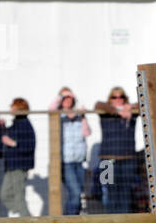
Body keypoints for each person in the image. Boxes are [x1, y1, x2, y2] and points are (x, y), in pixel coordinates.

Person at [95, 87, 139, 214]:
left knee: (125, 192)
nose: (118, 99)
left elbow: (145, 106)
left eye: (121, 97)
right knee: (109, 191)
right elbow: (98, 104)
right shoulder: (105, 111)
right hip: (106, 159)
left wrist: (130, 107)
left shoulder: (132, 111)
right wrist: (118, 112)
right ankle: (110, 222)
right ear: (110, 99)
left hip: (128, 159)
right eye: (114, 97)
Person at [49, 87, 90, 215]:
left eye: (69, 97)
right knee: (75, 192)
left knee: (77, 194)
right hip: (66, 162)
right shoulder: (58, 115)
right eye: (64, 98)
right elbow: (50, 109)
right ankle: (69, 221)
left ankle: (74, 221)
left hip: (79, 161)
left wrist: (83, 117)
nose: (67, 100)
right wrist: (61, 96)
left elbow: (87, 132)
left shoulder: (78, 115)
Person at [0, 98, 36, 217]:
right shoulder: (16, 123)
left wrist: (13, 143)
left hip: (19, 166)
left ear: (19, 108)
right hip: (11, 166)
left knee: (19, 196)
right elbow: (10, 136)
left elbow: (29, 145)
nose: (10, 107)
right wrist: (4, 127)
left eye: (12, 105)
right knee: (4, 195)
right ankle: (26, 215)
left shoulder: (25, 124)